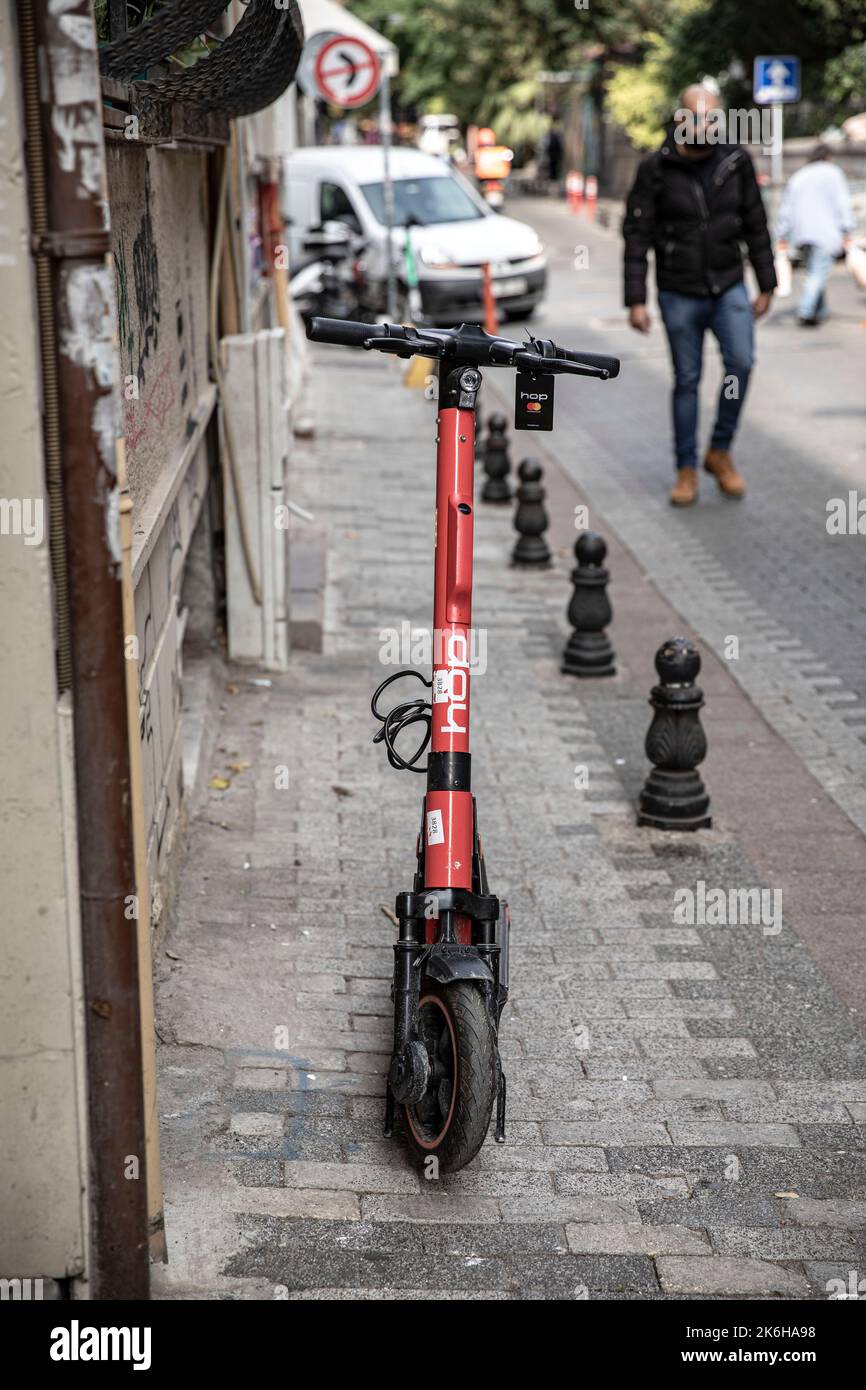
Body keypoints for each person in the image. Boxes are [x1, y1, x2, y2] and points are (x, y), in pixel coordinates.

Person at [623, 86, 776, 506]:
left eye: (712, 119)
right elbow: (637, 236)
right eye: (697, 118)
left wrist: (767, 283)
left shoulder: (735, 161)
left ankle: (719, 451)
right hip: (679, 291)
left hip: (728, 285)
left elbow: (756, 223)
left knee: (740, 363)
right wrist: (636, 299)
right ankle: (686, 468)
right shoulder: (656, 167)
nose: (705, 126)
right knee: (687, 381)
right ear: (680, 119)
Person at [776, 144, 854, 326]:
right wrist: (847, 228)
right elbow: (842, 203)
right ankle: (806, 310)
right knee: (818, 271)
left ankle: (820, 310)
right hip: (825, 231)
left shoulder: (800, 175)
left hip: (801, 232)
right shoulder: (833, 173)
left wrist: (781, 233)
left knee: (814, 269)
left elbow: (787, 207)